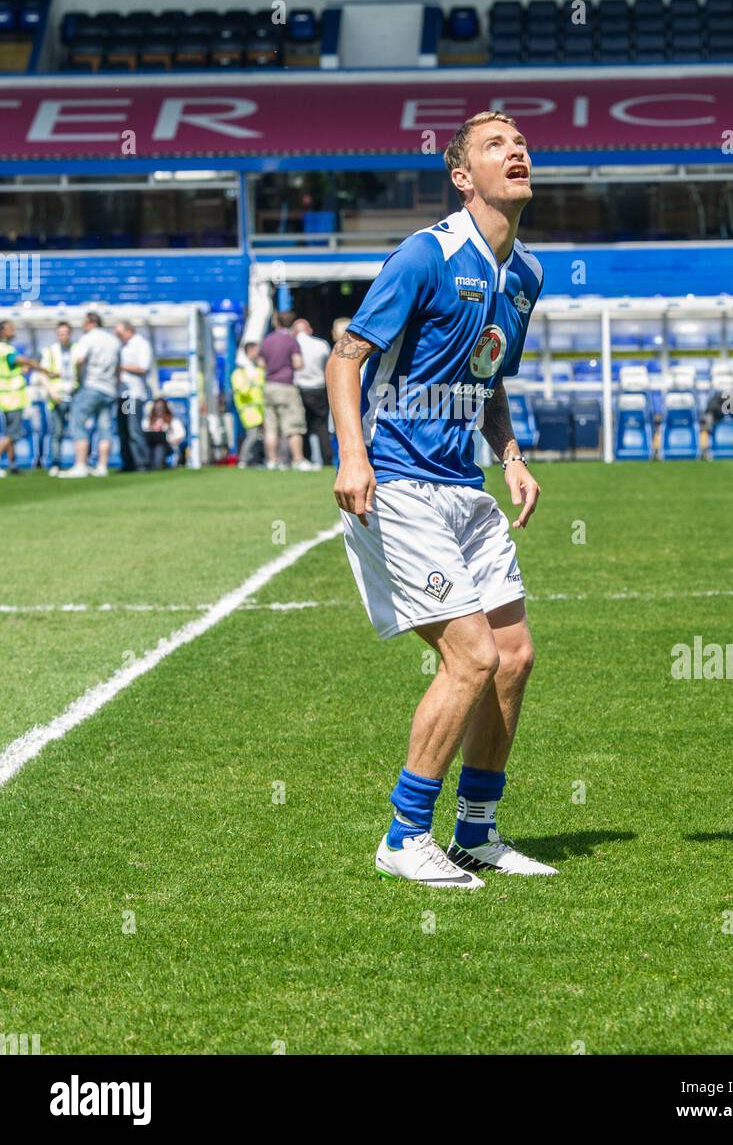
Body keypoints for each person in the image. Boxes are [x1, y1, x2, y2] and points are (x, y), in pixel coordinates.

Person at [326, 111, 554, 888]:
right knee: (471, 657)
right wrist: (353, 458)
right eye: (497, 145)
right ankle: (401, 835)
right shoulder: (425, 255)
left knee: (513, 658)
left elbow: (488, 381)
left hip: (466, 488)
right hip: (397, 484)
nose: (516, 150)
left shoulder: (525, 274)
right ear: (462, 177)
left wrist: (512, 456)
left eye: (520, 143)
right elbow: (345, 357)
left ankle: (477, 833)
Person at [59, 310, 120, 479]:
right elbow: (118, 368)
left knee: (77, 422)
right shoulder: (113, 341)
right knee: (105, 427)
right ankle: (102, 466)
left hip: (91, 386)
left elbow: (79, 360)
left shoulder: (87, 339)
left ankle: (80, 464)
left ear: (91, 323)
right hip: (110, 389)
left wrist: (78, 380)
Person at [259, 310, 318, 471]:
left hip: (269, 385)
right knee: (294, 425)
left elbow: (261, 363)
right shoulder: (291, 341)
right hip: (286, 385)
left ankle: (271, 461)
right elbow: (298, 363)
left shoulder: (267, 340)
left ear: (276, 322)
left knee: (271, 427)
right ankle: (298, 460)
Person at [0, 318, 44, 477]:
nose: (14, 330)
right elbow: (21, 360)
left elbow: (11, 369)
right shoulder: (6, 349)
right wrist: (40, 367)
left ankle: (13, 464)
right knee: (13, 434)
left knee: (8, 433)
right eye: (10, 328)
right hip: (13, 397)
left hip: (5, 397)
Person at [292, 317, 333, 465]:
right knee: (322, 425)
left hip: (300, 388)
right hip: (319, 387)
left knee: (302, 425)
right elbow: (329, 367)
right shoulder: (322, 345)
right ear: (309, 330)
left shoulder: (293, 344)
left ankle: (306, 457)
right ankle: (327, 457)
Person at [116, 319, 154, 472]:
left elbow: (144, 367)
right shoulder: (122, 346)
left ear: (129, 330)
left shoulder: (141, 344)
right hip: (123, 395)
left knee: (133, 429)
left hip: (133, 394)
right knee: (124, 429)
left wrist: (121, 367)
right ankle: (128, 462)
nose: (118, 336)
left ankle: (142, 462)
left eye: (120, 332)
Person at [42, 320, 78, 476]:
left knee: (79, 430)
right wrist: (51, 393)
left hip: (75, 395)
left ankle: (81, 462)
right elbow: (43, 373)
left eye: (66, 333)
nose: (63, 336)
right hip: (57, 396)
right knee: (57, 432)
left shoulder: (77, 349)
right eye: (60, 333)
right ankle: (55, 463)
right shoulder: (50, 351)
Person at [230, 341, 266, 468]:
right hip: (249, 409)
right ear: (250, 351)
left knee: (257, 436)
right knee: (252, 436)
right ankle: (243, 460)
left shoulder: (256, 369)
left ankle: (253, 460)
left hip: (259, 409)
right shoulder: (241, 372)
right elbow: (242, 390)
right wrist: (250, 382)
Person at [142, 398, 186, 469]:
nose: (159, 409)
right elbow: (143, 432)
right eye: (157, 407)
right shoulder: (148, 421)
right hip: (150, 445)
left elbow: (181, 434)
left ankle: (159, 465)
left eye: (161, 407)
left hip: (168, 446)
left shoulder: (173, 421)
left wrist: (172, 440)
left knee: (159, 448)